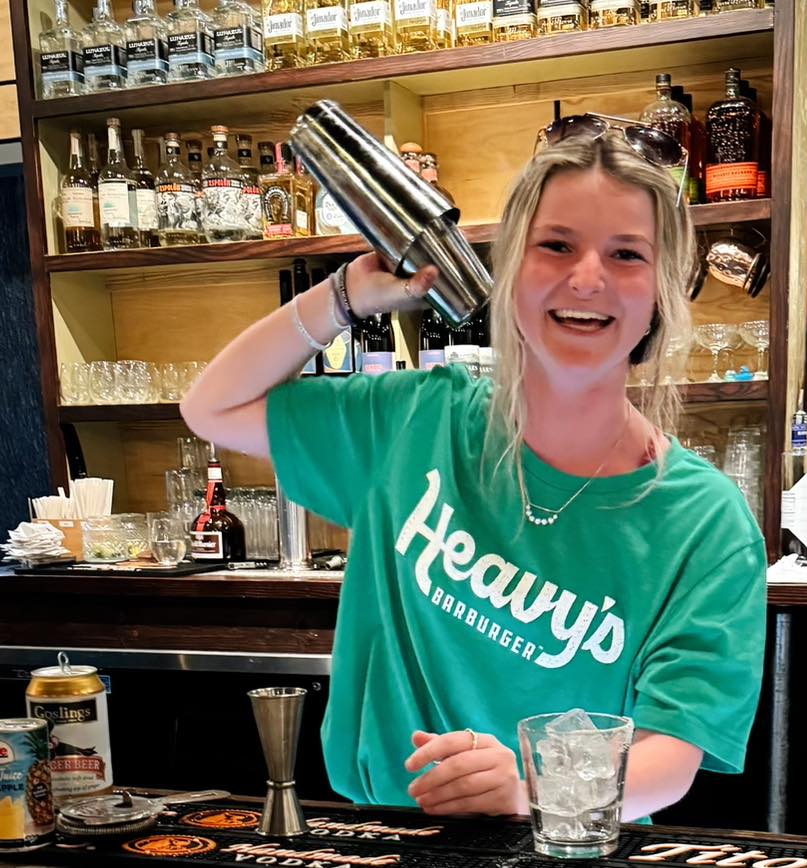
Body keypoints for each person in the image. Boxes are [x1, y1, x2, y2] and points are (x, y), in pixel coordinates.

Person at [181, 118, 766, 822]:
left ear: (661, 293)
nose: (587, 278)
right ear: (510, 270)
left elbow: (669, 756)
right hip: (384, 837)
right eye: (556, 245)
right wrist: (342, 298)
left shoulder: (707, 522)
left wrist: (531, 791)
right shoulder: (415, 419)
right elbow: (211, 407)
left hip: (571, 844)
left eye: (626, 254)